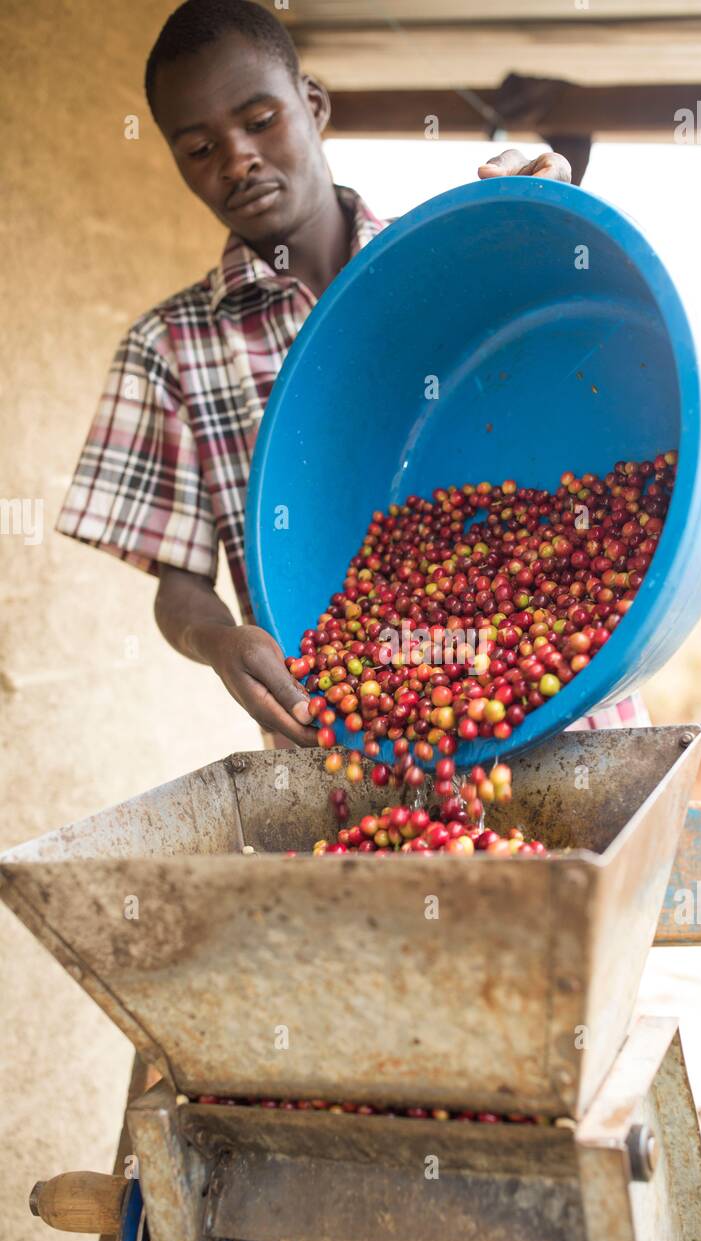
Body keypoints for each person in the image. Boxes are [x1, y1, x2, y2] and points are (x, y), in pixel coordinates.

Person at [56, 0, 647, 746]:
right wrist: (219, 643)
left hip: (570, 704)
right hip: (358, 738)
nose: (237, 159)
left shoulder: (452, 258)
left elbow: (581, 333)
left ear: (313, 105)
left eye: (260, 119)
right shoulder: (170, 347)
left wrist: (541, 210)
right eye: (199, 148)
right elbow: (178, 582)